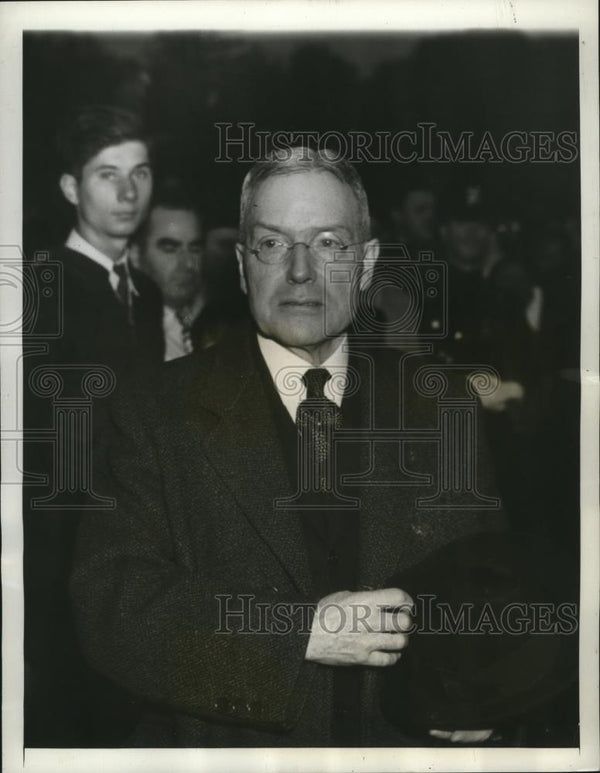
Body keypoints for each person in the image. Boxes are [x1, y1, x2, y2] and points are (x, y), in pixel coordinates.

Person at [71, 147, 507, 747]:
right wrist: (298, 631)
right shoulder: (154, 411)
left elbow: (488, 591)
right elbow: (112, 606)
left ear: (367, 263)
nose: (300, 270)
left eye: (328, 243)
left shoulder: (440, 407)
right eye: (273, 243)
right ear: (243, 265)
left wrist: (487, 691)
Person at [23, 104, 163, 746]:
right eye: (108, 174)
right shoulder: (41, 287)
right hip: (62, 550)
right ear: (69, 187)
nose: (129, 192)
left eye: (141, 172)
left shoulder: (144, 292)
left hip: (133, 545)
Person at [131, 189, 245, 359]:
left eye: (195, 248)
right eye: (170, 249)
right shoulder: (127, 333)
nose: (189, 264)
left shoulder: (216, 325)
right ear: (135, 255)